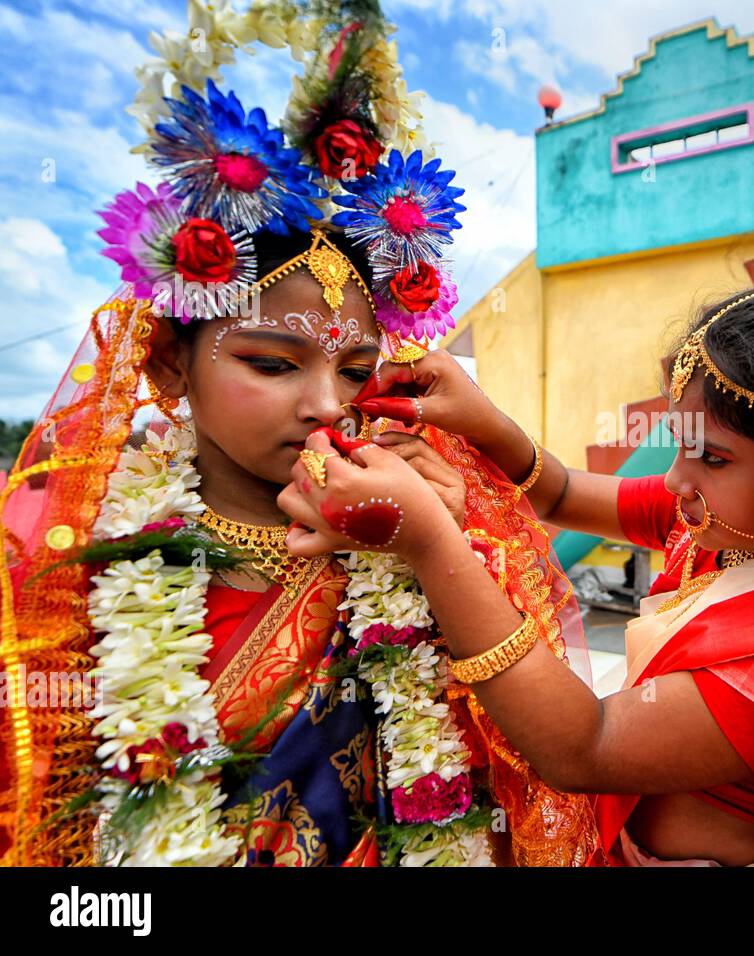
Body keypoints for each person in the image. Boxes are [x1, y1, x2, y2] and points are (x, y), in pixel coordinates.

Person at [0, 1, 597, 867]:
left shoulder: (416, 519)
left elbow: (533, 763)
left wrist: (457, 547)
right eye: (274, 364)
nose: (327, 404)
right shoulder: (58, 551)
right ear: (170, 363)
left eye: (356, 371)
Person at [279, 285, 754, 865]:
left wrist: (428, 541)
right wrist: (484, 419)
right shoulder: (717, 525)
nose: (673, 478)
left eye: (712, 458)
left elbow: (586, 748)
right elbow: (558, 494)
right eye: (678, 441)